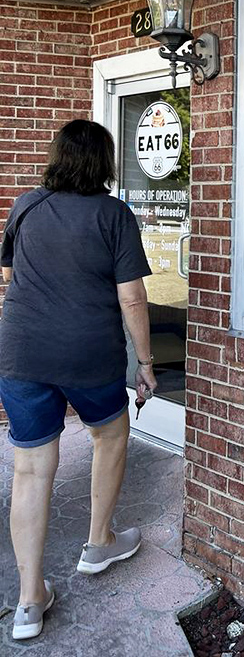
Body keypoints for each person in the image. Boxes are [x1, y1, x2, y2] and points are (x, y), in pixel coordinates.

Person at [0, 119, 157, 641]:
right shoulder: (114, 214)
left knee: (30, 469)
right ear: (105, 163)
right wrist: (147, 363)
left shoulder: (25, 205)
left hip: (22, 352)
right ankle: (98, 544)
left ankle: (29, 602)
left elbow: (9, 276)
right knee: (108, 435)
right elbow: (131, 297)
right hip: (89, 352)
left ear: (57, 157)